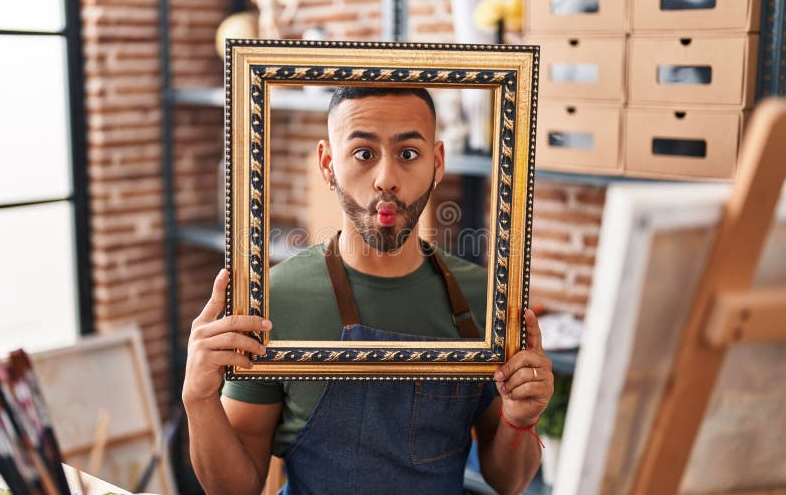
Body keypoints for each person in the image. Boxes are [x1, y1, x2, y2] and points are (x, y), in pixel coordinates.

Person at [183, 86, 554, 494]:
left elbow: (509, 481)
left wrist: (521, 418)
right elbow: (234, 490)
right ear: (327, 164)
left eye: (408, 154)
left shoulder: (486, 299)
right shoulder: (275, 300)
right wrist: (199, 399)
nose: (386, 179)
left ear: (437, 163)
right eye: (363, 153)